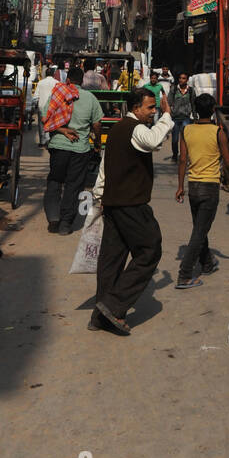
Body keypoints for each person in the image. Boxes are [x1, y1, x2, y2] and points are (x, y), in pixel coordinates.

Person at [89, 86, 173, 334]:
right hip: (130, 204)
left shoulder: (116, 130)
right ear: (136, 108)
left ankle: (99, 316)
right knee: (150, 249)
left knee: (111, 260)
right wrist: (167, 116)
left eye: (155, 108)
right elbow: (154, 140)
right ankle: (113, 307)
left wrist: (100, 194)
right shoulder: (135, 128)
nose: (153, 112)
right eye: (150, 107)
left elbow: (106, 165)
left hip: (114, 203)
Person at [175, 92, 229, 288]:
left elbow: (182, 160)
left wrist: (180, 186)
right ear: (213, 110)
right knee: (199, 231)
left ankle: (207, 263)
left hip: (193, 186)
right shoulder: (217, 132)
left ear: (196, 110)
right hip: (210, 187)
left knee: (200, 227)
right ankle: (185, 274)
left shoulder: (186, 131)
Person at [44, 66, 103, 236]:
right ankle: (65, 223)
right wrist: (97, 141)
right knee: (74, 184)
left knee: (55, 180)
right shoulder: (90, 98)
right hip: (80, 148)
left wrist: (61, 130)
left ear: (67, 80)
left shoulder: (58, 95)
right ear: (82, 81)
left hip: (58, 147)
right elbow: (97, 124)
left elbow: (45, 115)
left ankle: (53, 218)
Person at [170, 71, 196, 161]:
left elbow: (193, 104)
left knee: (185, 139)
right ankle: (175, 154)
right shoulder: (173, 89)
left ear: (187, 80)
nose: (181, 80)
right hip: (175, 118)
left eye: (183, 78)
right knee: (175, 139)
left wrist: (195, 118)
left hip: (186, 118)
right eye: (180, 78)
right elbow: (169, 103)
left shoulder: (191, 91)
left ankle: (184, 155)